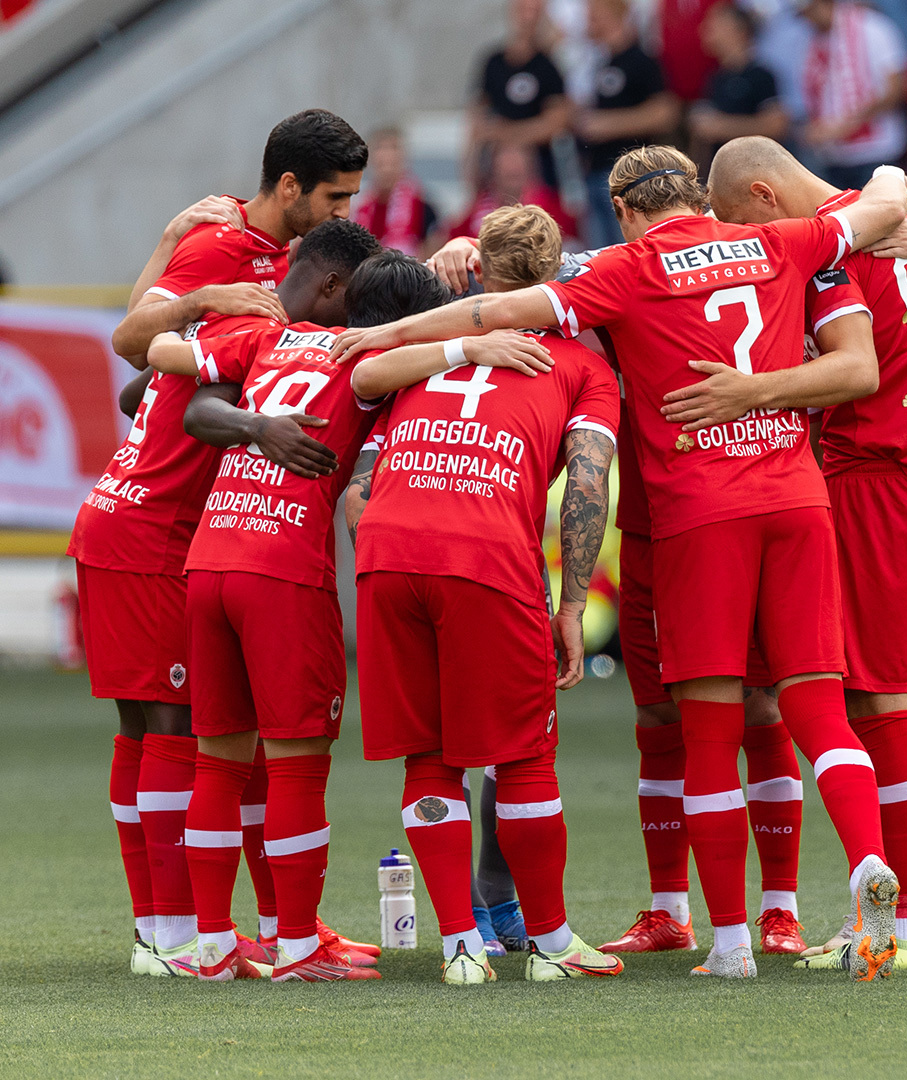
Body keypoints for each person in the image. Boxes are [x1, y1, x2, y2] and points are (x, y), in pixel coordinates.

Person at [333, 142, 907, 980]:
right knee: (817, 709)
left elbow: (495, 316)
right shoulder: (785, 241)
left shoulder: (626, 271)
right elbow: (884, 206)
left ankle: (729, 946)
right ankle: (866, 862)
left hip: (697, 511)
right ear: (703, 198)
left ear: (625, 211)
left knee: (707, 729)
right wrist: (890, 182)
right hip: (796, 497)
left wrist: (388, 330)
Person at [705, 136, 907, 970]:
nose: (751, 247)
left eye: (743, 226)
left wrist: (753, 390)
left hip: (880, 479)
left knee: (882, 704)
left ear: (764, 196)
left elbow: (850, 373)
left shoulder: (830, 246)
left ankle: (904, 929)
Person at [138, 244, 456, 983]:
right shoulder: (377, 368)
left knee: (218, 764)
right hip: (282, 572)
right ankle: (296, 946)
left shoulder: (274, 337)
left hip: (210, 560)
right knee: (297, 773)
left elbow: (174, 377)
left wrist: (253, 417)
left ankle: (212, 946)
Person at [344, 205, 625, 984]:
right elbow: (588, 485)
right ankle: (552, 944)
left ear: (479, 272)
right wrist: (571, 607)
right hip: (485, 556)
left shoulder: (421, 346)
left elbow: (359, 487)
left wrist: (384, 562)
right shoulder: (581, 367)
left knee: (428, 758)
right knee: (526, 756)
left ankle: (462, 947)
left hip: (390, 554)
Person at [71, 193, 251, 977]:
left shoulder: (180, 344)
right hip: (146, 536)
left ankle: (156, 931)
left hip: (118, 520)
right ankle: (174, 936)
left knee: (142, 729)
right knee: (173, 724)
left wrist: (167, 241)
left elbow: (132, 367)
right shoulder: (226, 321)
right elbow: (132, 342)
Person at [110, 109, 368, 363]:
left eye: (350, 196)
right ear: (290, 186)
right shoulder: (222, 239)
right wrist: (203, 298)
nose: (344, 212)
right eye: (335, 196)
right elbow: (128, 345)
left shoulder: (282, 249)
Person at [577, 0, 683, 247]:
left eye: (593, 16)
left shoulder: (641, 61)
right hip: (594, 173)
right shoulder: (599, 62)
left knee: (627, 250)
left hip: (629, 178)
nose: (587, 23)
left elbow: (665, 113)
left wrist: (606, 125)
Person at [798, 0, 907, 189]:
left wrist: (847, 125)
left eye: (810, 12)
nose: (807, 20)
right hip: (832, 156)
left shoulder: (873, 28)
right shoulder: (813, 40)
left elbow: (896, 89)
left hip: (876, 153)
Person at [473, 0, 573, 194]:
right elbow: (478, 119)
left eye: (534, 11)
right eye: (523, 9)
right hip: (497, 169)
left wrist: (504, 133)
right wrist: (472, 163)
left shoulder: (548, 67)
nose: (527, 17)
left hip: (539, 169)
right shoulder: (493, 63)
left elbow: (556, 124)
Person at [688, 2, 791, 170]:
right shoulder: (715, 77)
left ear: (739, 31)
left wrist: (720, 126)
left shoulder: (761, 75)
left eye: (715, 26)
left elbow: (777, 126)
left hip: (755, 172)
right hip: (720, 175)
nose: (705, 31)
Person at [452, 142, 583, 243]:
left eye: (517, 166)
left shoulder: (554, 208)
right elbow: (453, 236)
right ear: (493, 171)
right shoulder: (478, 207)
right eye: (507, 169)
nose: (512, 167)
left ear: (530, 168)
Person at [352, 128, 441, 257]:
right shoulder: (356, 210)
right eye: (380, 149)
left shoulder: (423, 208)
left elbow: (431, 255)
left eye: (393, 149)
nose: (387, 155)